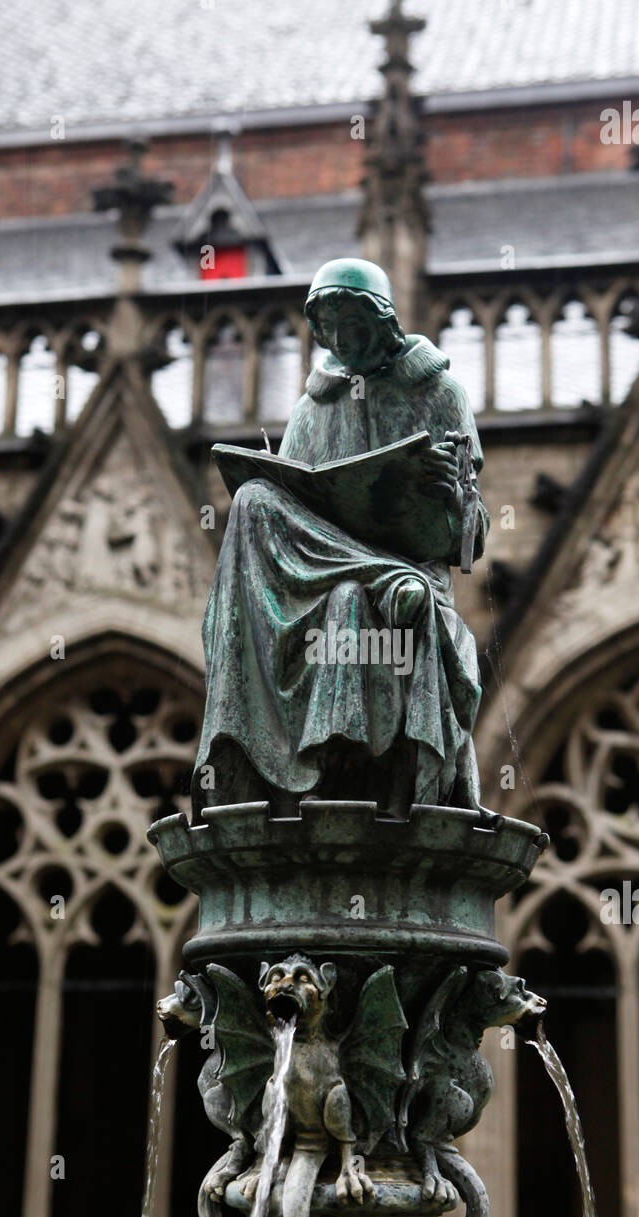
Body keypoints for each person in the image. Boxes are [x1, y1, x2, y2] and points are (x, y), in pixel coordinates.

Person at [192, 257, 492, 822]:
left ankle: (357, 783)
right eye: (330, 331)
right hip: (320, 565)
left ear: (383, 324)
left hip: (408, 570)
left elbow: (468, 543)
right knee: (255, 500)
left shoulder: (440, 391)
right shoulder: (312, 407)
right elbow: (301, 496)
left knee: (361, 601)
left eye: (353, 328)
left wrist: (452, 495)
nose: (341, 341)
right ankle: (258, 751)